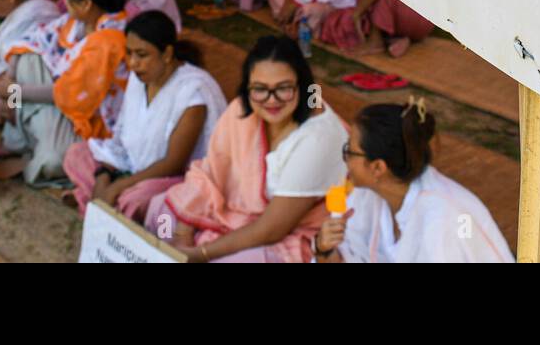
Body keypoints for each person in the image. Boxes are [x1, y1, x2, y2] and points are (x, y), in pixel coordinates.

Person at [145, 35, 347, 263]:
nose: (272, 100)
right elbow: (209, 174)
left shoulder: (318, 139)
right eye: (260, 89)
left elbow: (272, 230)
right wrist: (183, 230)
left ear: (303, 86)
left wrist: (199, 254)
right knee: (160, 211)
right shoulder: (242, 109)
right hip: (233, 215)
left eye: (283, 89)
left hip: (288, 234)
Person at [63, 11, 226, 221]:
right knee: (76, 154)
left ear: (167, 54)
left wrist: (119, 185)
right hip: (133, 168)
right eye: (129, 53)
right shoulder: (138, 78)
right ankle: (103, 201)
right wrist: (104, 174)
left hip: (175, 179)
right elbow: (120, 135)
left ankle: (95, 199)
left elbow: (174, 164)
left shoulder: (193, 93)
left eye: (142, 54)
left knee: (136, 199)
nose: (132, 63)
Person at [314, 101, 513, 263]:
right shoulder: (365, 196)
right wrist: (324, 251)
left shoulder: (444, 219)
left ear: (378, 168)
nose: (345, 159)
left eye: (350, 151)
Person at [0, 0, 128, 185]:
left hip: (86, 119)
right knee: (27, 59)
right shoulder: (76, 22)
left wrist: (15, 92)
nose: (64, 3)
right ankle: (23, 138)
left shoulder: (108, 41)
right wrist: (10, 83)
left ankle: (28, 143)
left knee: (52, 162)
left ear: (86, 4)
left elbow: (68, 95)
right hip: (57, 102)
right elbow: (29, 40)